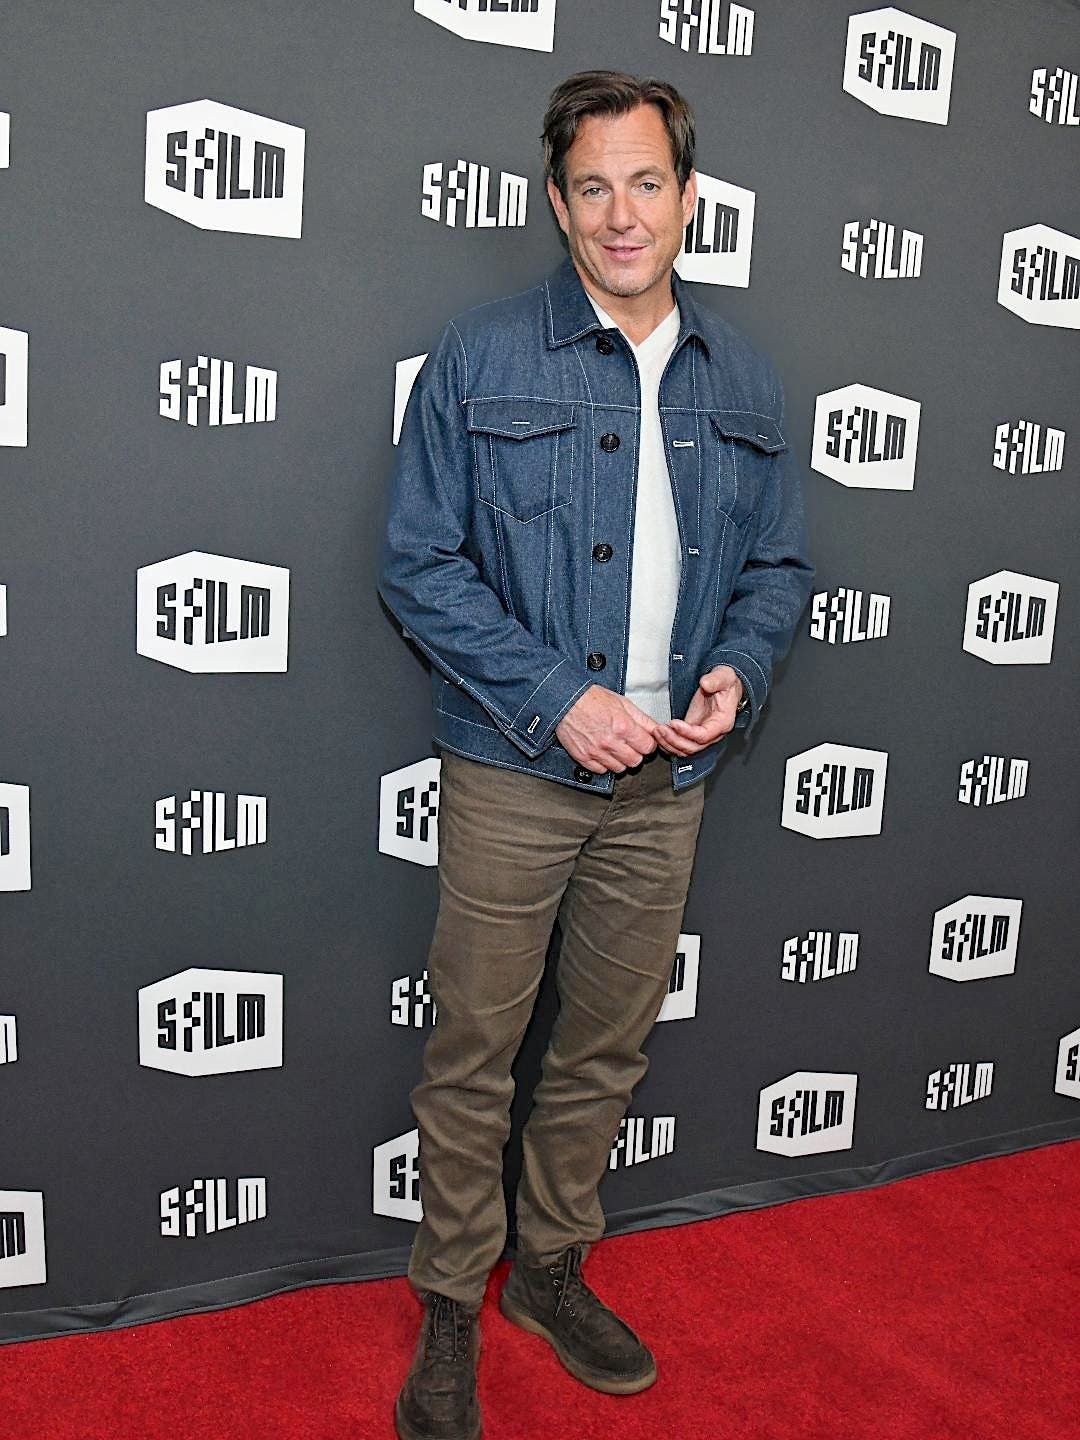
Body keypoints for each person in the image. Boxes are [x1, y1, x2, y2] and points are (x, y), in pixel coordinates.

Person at [380, 70, 814, 1440]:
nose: (622, 213)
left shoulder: (742, 377)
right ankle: (453, 1299)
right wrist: (560, 697)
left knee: (605, 1052)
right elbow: (421, 565)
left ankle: (550, 1269)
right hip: (518, 767)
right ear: (557, 204)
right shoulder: (482, 353)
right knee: (477, 1050)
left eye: (646, 182)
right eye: (592, 186)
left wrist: (740, 667)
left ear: (689, 198)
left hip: (668, 784)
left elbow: (780, 565)